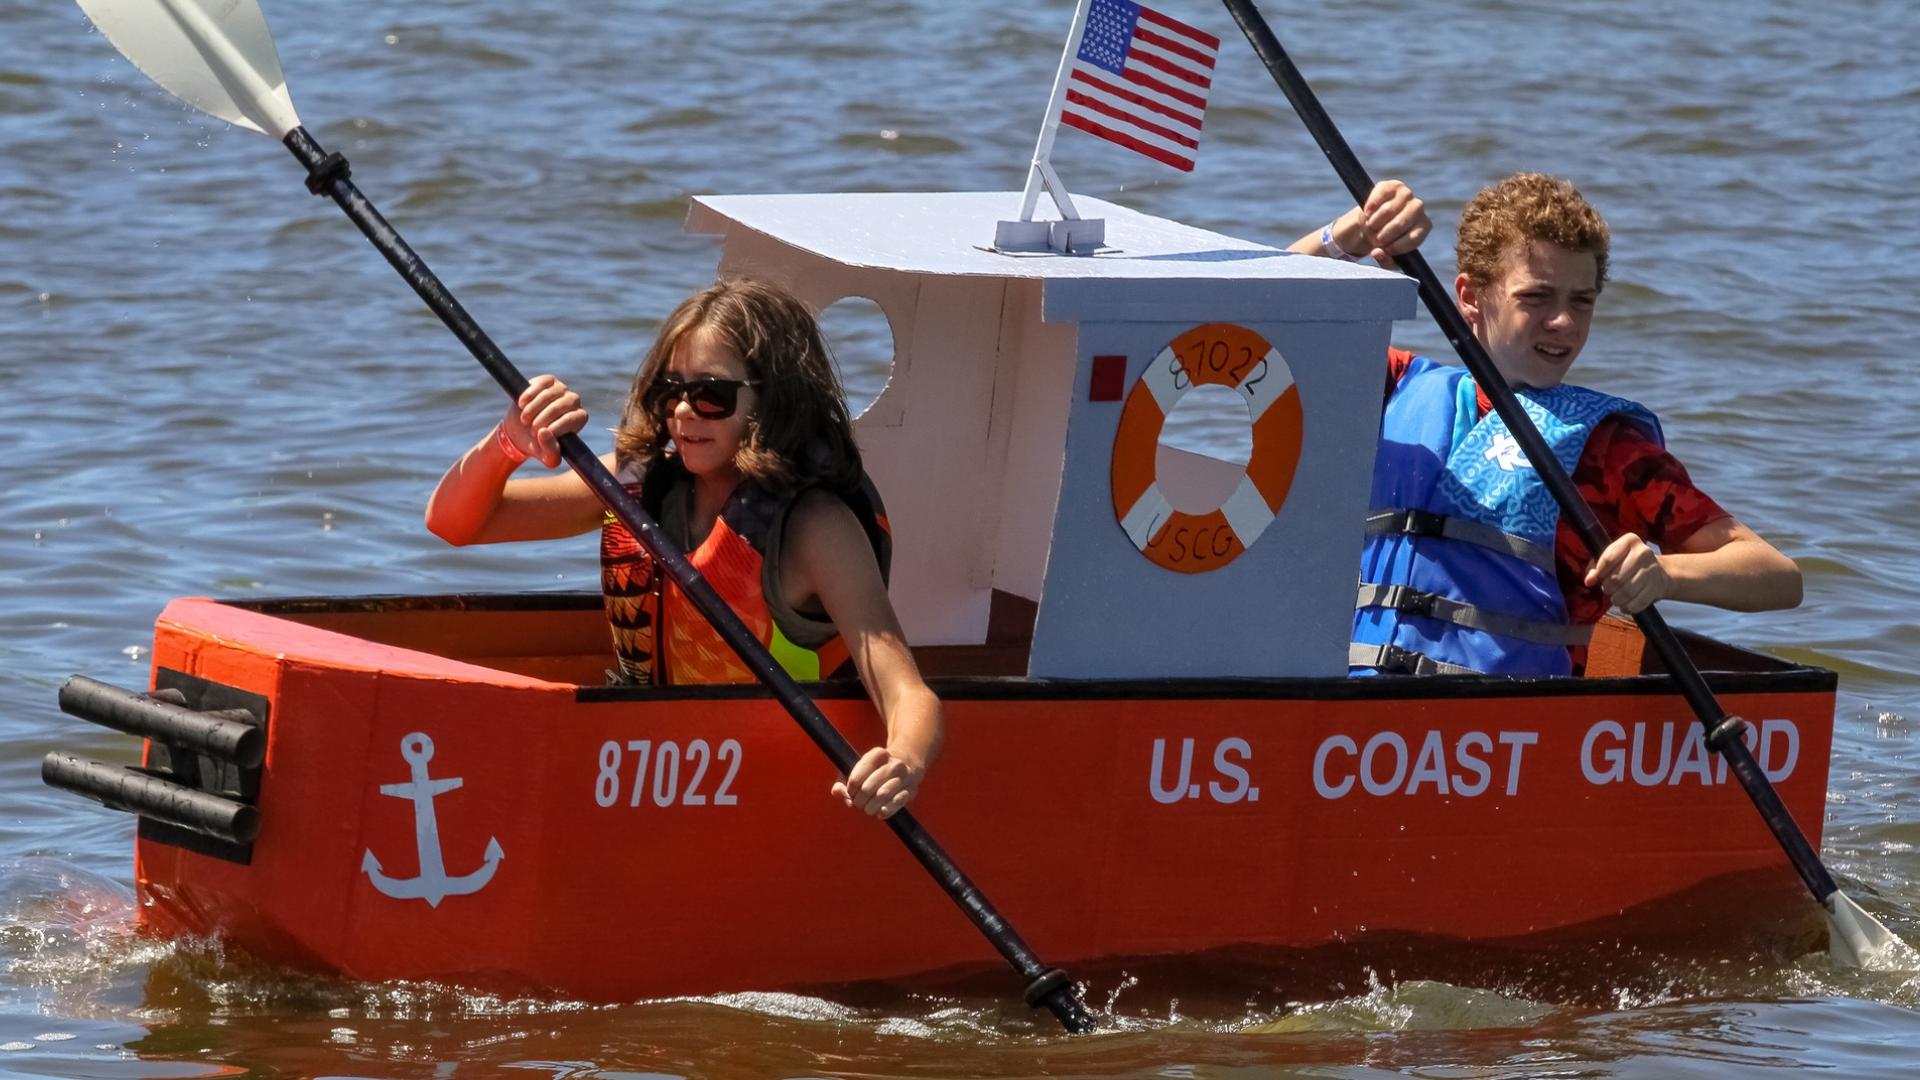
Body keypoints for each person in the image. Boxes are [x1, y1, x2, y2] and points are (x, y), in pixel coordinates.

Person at [425, 277, 941, 816]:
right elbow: (455, 523)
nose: (684, 412)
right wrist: (510, 442)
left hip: (773, 790)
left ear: (773, 400)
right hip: (645, 776)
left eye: (712, 395)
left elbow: (906, 691)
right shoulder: (636, 487)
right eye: (672, 390)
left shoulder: (815, 527)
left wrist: (903, 760)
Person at [1290, 173, 1802, 676]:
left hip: (1507, 731)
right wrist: (1351, 234)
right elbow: (1263, 319)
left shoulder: (1609, 451)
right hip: (1357, 717)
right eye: (1536, 297)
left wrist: (1665, 574)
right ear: (1469, 296)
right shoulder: (1392, 385)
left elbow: (1779, 578)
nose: (1564, 322)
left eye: (1582, 300)